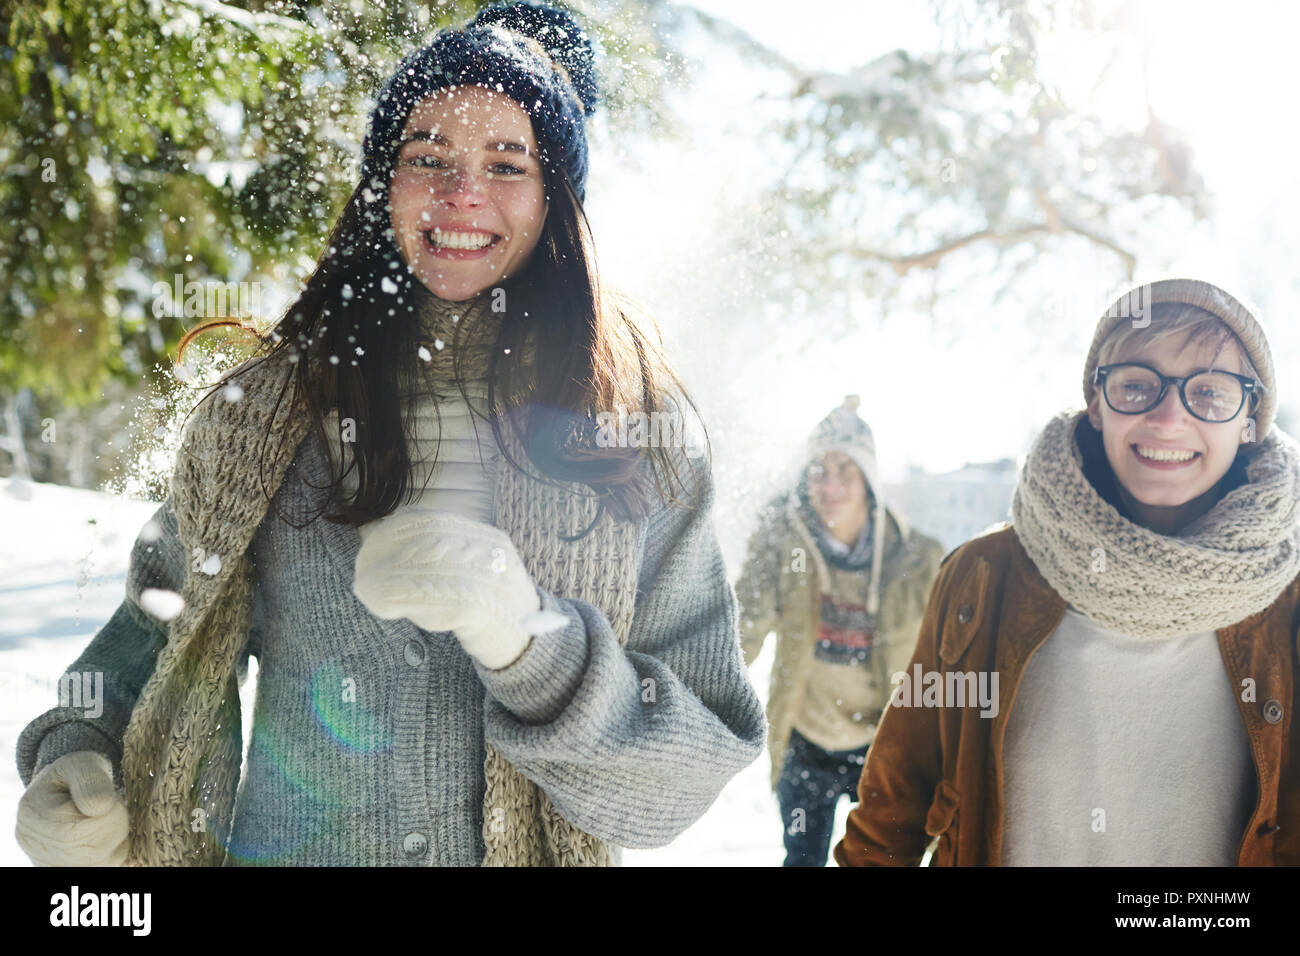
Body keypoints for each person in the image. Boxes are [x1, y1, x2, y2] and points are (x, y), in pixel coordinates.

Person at [14, 1, 764, 867]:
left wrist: (531, 642)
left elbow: (690, 773)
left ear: (558, 196)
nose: (461, 192)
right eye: (427, 156)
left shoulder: (642, 434)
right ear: (383, 183)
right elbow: (148, 632)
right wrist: (79, 739)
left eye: (507, 162)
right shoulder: (258, 417)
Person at [834, 278, 1300, 866]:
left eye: (1208, 392)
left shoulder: (1291, 600)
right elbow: (889, 815)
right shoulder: (983, 577)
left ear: (1252, 418)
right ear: (1098, 403)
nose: (1167, 417)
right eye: (1137, 385)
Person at [736, 396, 943, 865]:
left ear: (868, 481)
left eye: (844, 470)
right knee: (802, 858)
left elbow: (952, 659)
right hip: (804, 742)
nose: (829, 485)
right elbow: (739, 635)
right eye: (818, 470)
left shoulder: (918, 558)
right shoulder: (783, 545)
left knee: (884, 861)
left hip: (883, 745)